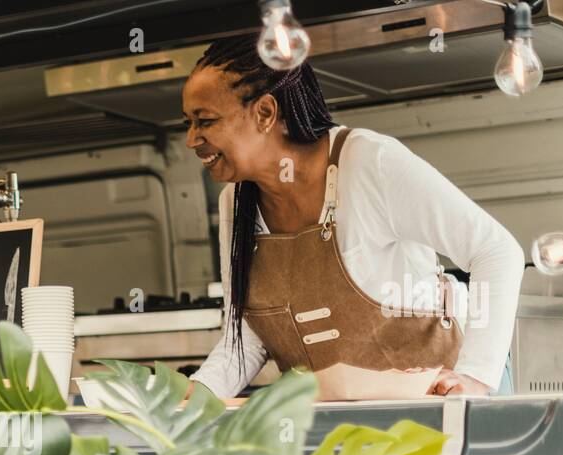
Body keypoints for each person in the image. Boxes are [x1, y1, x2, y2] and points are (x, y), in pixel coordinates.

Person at [183, 34, 522, 400]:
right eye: (188, 122)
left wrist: (476, 376)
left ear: (265, 113)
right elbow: (248, 337)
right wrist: (198, 395)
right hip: (343, 426)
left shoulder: (368, 163)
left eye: (205, 121)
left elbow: (496, 250)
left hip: (440, 407)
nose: (191, 139)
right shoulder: (236, 202)